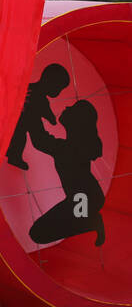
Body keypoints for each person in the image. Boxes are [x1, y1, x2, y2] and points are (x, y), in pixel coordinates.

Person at [27, 99, 106, 246]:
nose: (67, 105)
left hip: (83, 200)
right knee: (38, 234)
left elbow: (40, 140)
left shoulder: (66, 149)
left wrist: (32, 113)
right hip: (85, 198)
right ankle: (91, 221)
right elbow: (41, 140)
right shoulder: (71, 147)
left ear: (77, 121)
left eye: (73, 107)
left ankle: (92, 222)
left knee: (38, 234)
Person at [6, 63, 70, 170]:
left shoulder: (29, 87)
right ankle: (14, 156)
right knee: (38, 140)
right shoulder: (41, 98)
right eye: (58, 88)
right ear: (51, 83)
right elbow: (49, 115)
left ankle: (13, 154)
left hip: (25, 120)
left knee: (24, 138)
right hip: (27, 121)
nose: (58, 92)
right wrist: (53, 119)